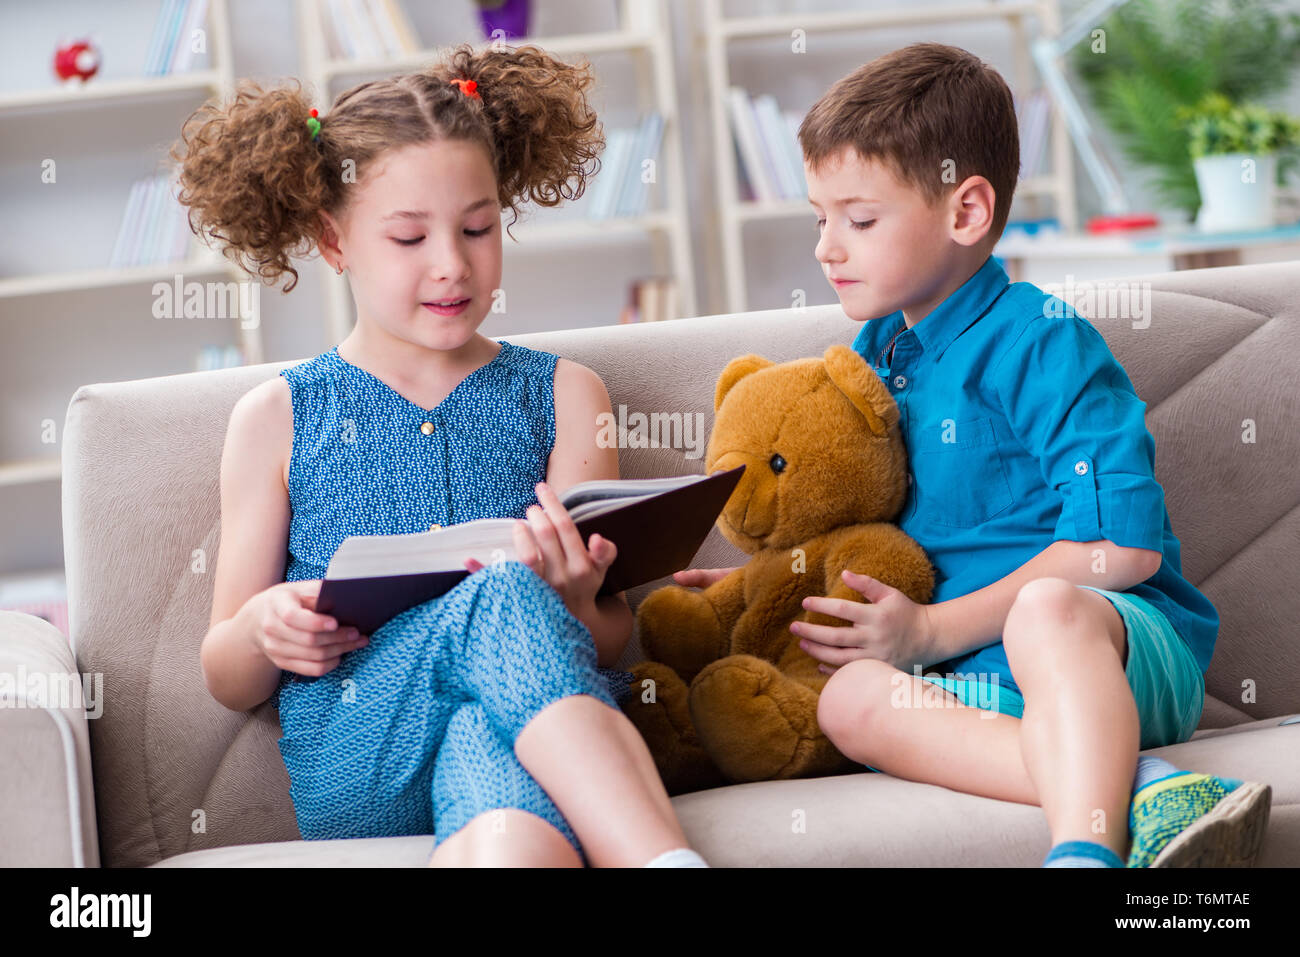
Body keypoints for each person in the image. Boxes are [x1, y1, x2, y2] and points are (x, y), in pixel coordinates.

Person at [676, 42, 1270, 868]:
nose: (826, 247)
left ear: (966, 212)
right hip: (976, 681)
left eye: (859, 218)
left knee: (1048, 609)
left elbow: (1122, 549)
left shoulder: (1042, 341)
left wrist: (929, 627)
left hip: (1115, 647)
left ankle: (1084, 851)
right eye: (820, 217)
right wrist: (764, 578)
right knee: (849, 699)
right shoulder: (876, 350)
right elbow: (861, 509)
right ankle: (1144, 789)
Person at [181, 43, 707, 868]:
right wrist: (263, 627)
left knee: (507, 807)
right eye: (407, 236)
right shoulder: (276, 417)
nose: (452, 265)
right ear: (333, 241)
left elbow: (607, 636)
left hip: (518, 729)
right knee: (498, 594)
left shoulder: (569, 393)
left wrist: (577, 597)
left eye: (477, 227)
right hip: (363, 750)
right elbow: (225, 674)